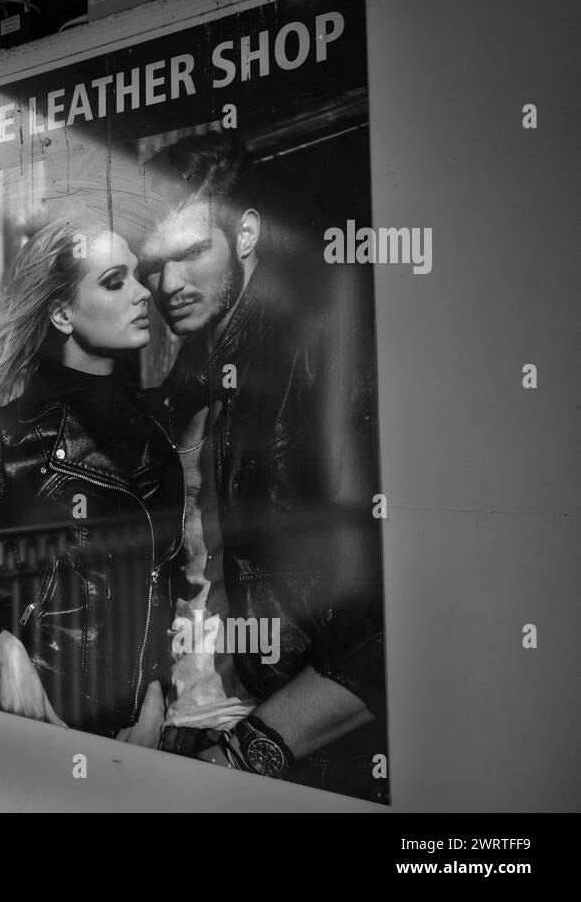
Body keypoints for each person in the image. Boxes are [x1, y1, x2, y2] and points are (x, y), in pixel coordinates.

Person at [138, 132, 386, 800]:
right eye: (153, 263)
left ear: (245, 233)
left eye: (191, 251)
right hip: (176, 733)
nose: (170, 284)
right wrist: (152, 700)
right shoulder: (180, 387)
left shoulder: (322, 352)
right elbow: (177, 571)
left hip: (279, 743)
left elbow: (396, 613)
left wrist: (249, 753)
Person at [0, 217, 184, 741]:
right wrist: (4, 651)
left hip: (133, 732)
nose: (145, 293)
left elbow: (163, 580)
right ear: (61, 313)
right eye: (115, 281)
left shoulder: (156, 433)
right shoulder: (10, 437)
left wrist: (154, 692)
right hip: (40, 724)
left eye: (137, 277)